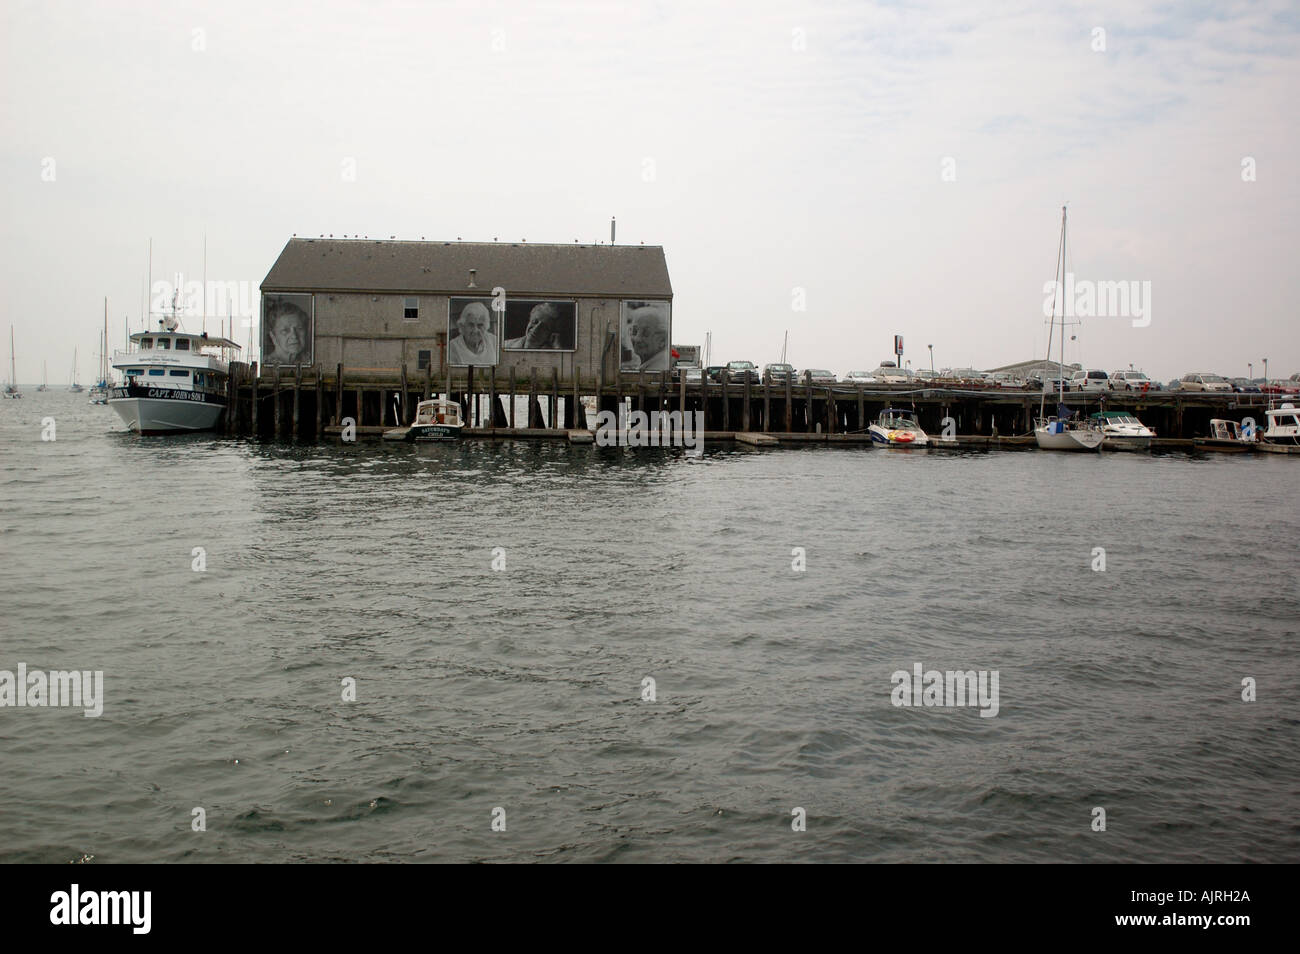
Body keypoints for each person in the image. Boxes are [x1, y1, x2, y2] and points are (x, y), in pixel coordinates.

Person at [623, 305, 669, 371]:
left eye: (646, 333)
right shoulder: (650, 365)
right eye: (634, 331)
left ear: (662, 340)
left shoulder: (657, 370)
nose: (637, 339)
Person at [263, 300, 310, 365]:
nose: (294, 336)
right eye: (285, 330)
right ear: (273, 336)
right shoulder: (266, 363)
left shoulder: (309, 361)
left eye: (299, 328)